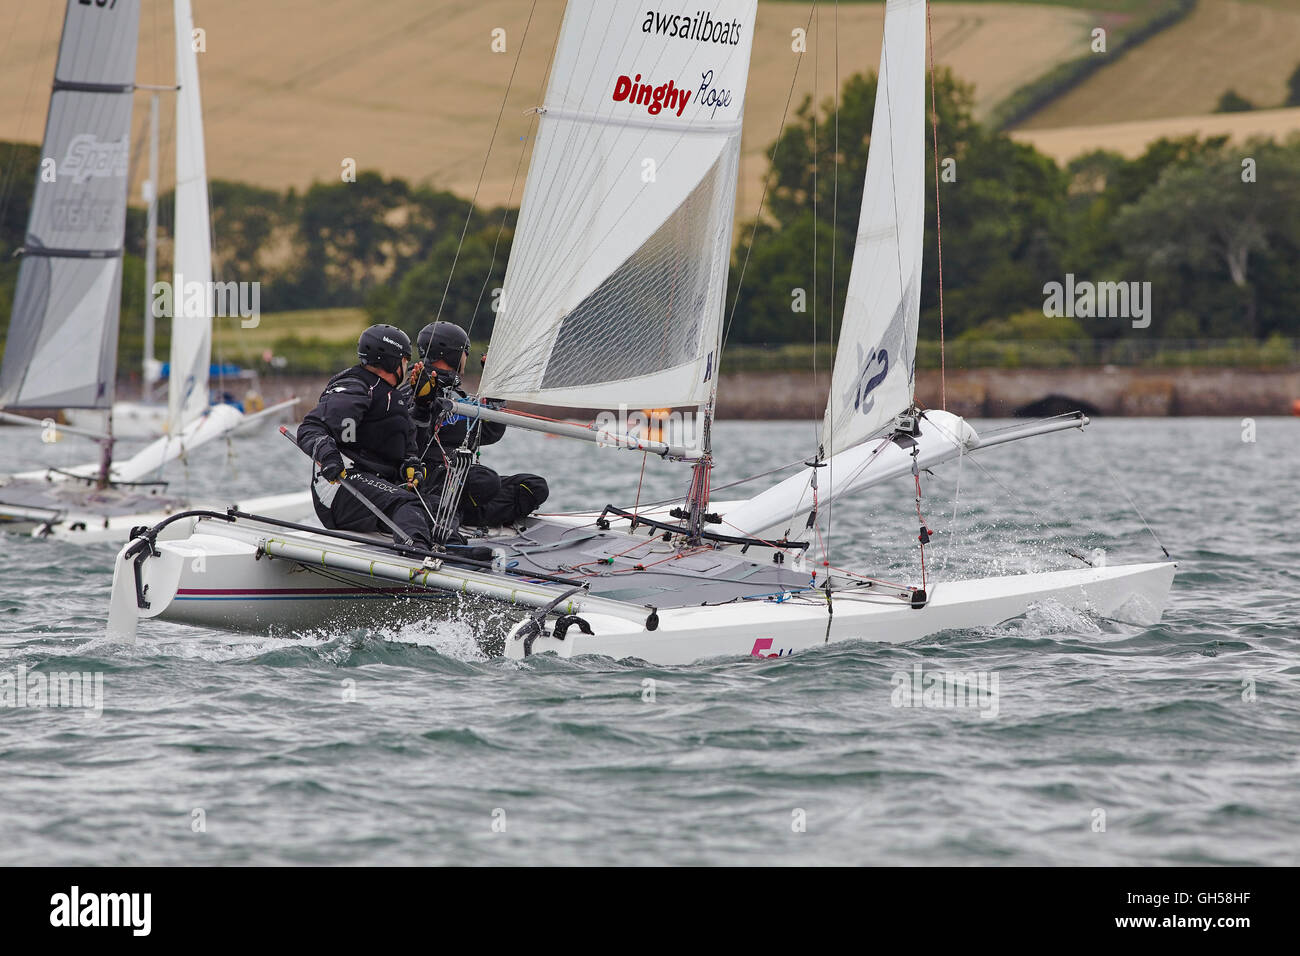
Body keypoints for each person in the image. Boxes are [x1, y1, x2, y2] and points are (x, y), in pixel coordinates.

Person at [296, 324, 434, 548]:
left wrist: (410, 466)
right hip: (339, 486)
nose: (406, 366)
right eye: (405, 360)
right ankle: (418, 559)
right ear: (392, 360)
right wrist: (328, 455)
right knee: (408, 505)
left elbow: (407, 448)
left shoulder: (393, 397)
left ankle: (458, 555)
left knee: (432, 507)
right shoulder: (356, 387)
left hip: (374, 484)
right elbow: (311, 428)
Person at [406, 321, 549, 528]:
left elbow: (489, 433)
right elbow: (408, 435)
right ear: (455, 354)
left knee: (534, 487)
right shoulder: (415, 388)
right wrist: (424, 404)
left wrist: (496, 390)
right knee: (485, 480)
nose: (466, 358)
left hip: (459, 481)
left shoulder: (458, 396)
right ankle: (446, 512)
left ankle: (463, 515)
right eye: (465, 353)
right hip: (429, 477)